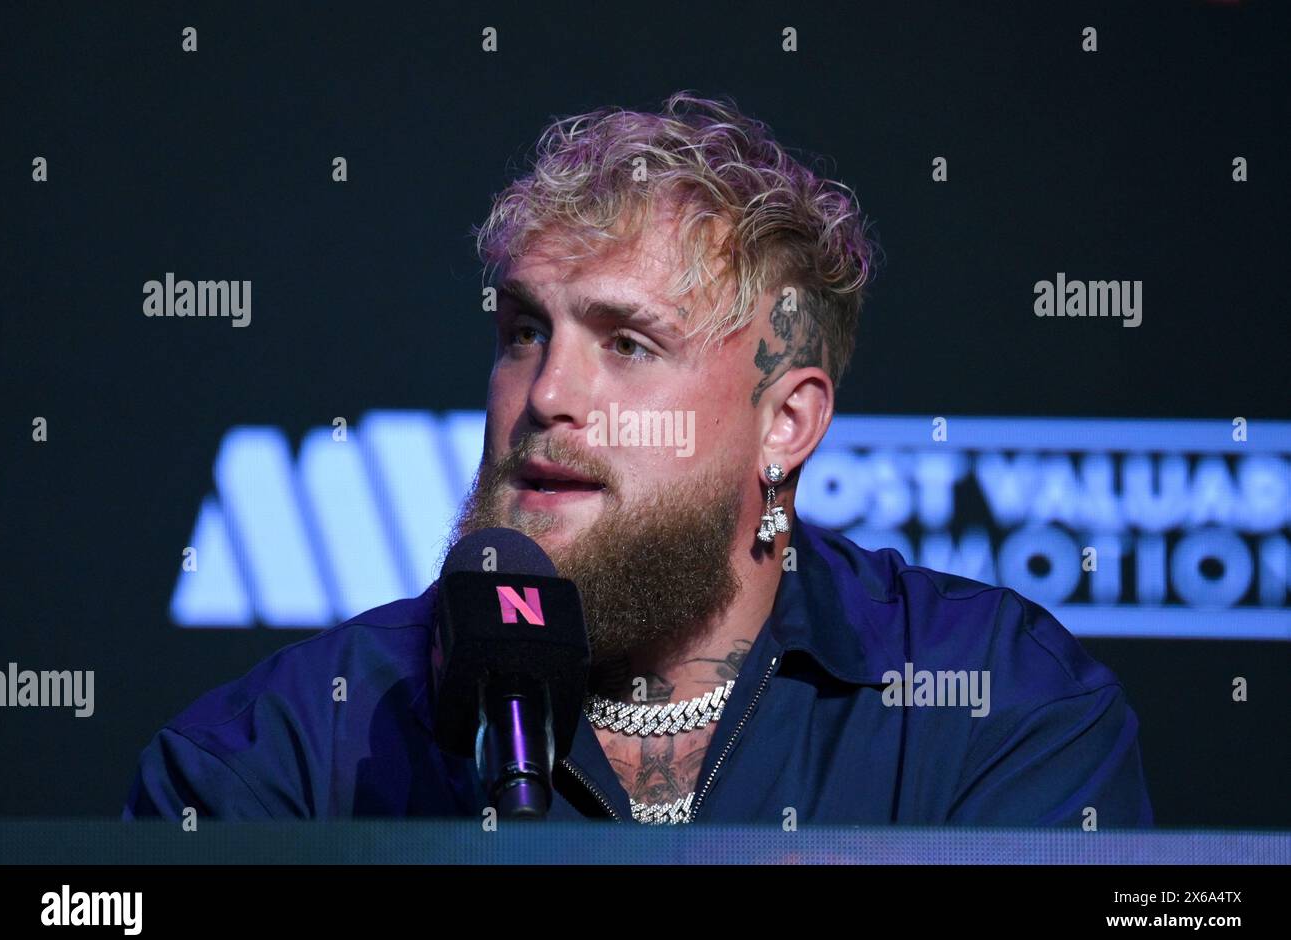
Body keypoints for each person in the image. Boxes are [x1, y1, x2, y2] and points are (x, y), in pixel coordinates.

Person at [123, 91, 1152, 826]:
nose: (547, 396)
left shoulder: (991, 706)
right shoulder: (297, 744)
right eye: (526, 331)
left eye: (626, 344)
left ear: (784, 424)